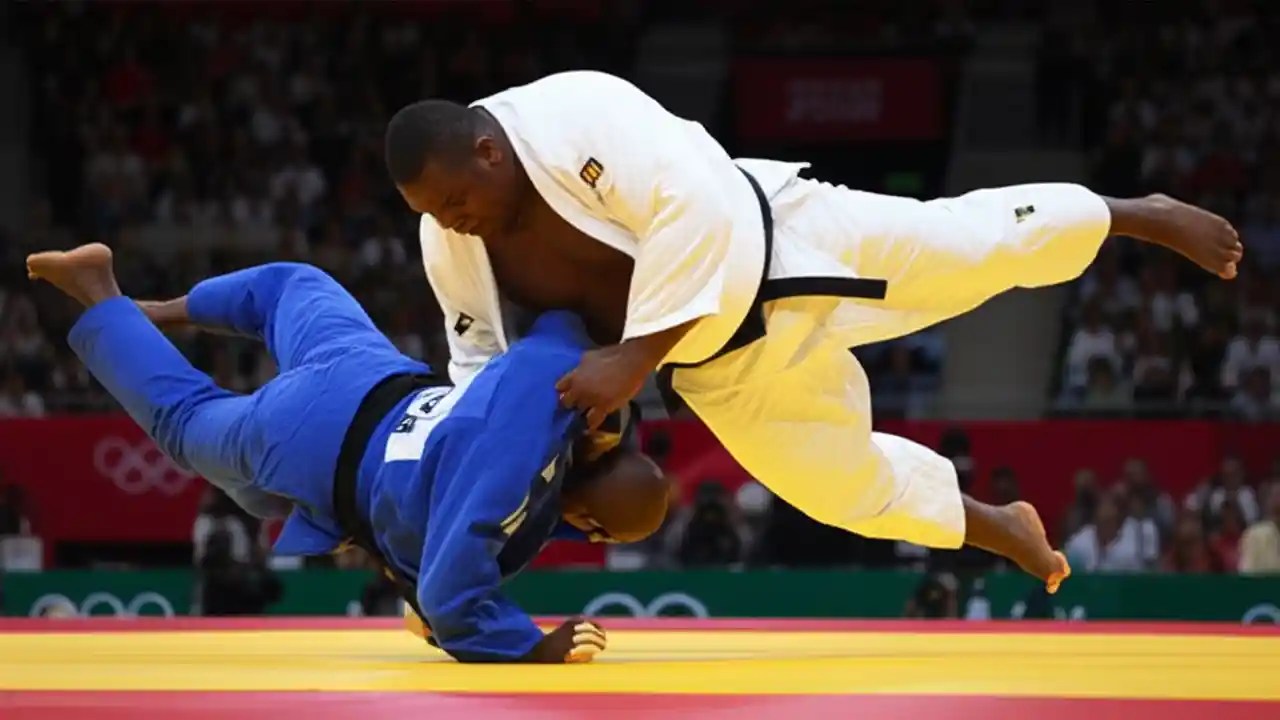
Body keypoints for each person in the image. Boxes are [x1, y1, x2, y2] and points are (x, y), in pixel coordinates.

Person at [386, 70, 1243, 593]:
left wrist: (633, 361)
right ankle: (996, 525)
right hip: (720, 365)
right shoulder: (451, 238)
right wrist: (528, 448)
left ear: (488, 151)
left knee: (974, 244)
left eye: (456, 203)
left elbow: (701, 203)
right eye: (434, 216)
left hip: (789, 246)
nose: (453, 226)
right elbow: (479, 363)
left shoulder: (575, 113)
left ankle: (1133, 213)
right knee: (836, 490)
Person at [26, 243, 668, 663]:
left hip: (367, 373)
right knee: (188, 422)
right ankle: (103, 300)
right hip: (310, 446)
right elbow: (451, 595)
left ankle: (158, 309)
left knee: (291, 287)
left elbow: (565, 319)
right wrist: (532, 649)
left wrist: (625, 391)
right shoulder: (499, 502)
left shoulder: (569, 378)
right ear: (589, 524)